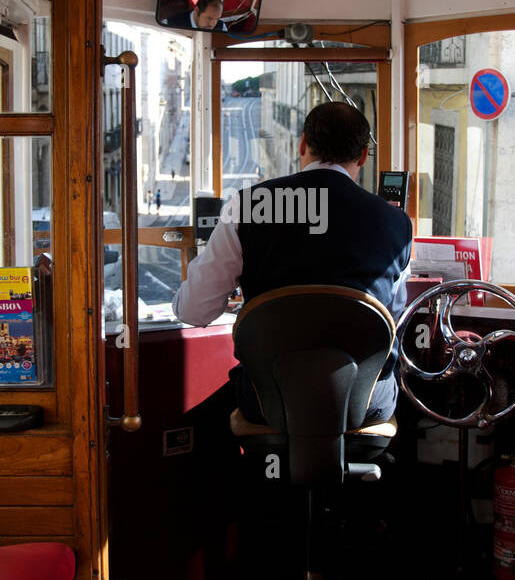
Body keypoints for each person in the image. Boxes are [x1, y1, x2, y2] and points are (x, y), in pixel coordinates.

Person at [173, 101, 412, 428]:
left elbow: (193, 311)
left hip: (267, 397)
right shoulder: (397, 222)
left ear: (302, 144)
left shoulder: (250, 205)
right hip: (364, 400)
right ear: (362, 156)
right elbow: (391, 317)